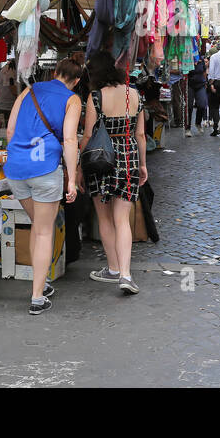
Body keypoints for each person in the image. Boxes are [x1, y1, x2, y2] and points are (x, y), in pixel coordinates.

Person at [3, 56, 83, 315]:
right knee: (44, 231)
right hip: (46, 170)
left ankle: (41, 283)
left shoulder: (29, 90)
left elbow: (10, 131)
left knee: (38, 225)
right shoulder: (72, 99)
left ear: (55, 71)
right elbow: (70, 140)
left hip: (16, 170)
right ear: (77, 81)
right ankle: (37, 296)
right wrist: (72, 179)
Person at [81, 50, 148, 296]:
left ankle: (112, 268)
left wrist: (79, 166)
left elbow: (88, 136)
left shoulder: (95, 97)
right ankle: (126, 274)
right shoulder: (135, 94)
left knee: (105, 217)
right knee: (122, 219)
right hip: (129, 156)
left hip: (102, 158)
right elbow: (140, 134)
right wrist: (142, 165)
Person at [186, 56, 208, 136]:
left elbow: (204, 72)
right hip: (190, 85)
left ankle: (198, 123)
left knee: (202, 105)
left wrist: (205, 82)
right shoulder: (187, 59)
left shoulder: (201, 59)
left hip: (200, 84)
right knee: (189, 107)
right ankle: (187, 128)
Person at [0, 61, 18, 128]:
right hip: (5, 108)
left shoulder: (12, 68)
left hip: (8, 107)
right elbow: (13, 89)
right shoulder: (9, 70)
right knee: (5, 132)